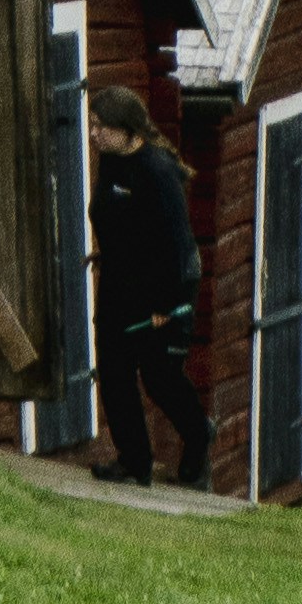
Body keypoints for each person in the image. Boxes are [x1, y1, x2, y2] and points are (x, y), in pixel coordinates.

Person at [85, 83, 207, 486]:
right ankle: (133, 460)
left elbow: (175, 243)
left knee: (160, 376)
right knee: (115, 370)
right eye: (92, 125)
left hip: (164, 288)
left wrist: (165, 306)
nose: (93, 134)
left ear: (129, 129)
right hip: (121, 284)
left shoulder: (155, 172)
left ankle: (198, 437)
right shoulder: (112, 162)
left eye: (102, 127)